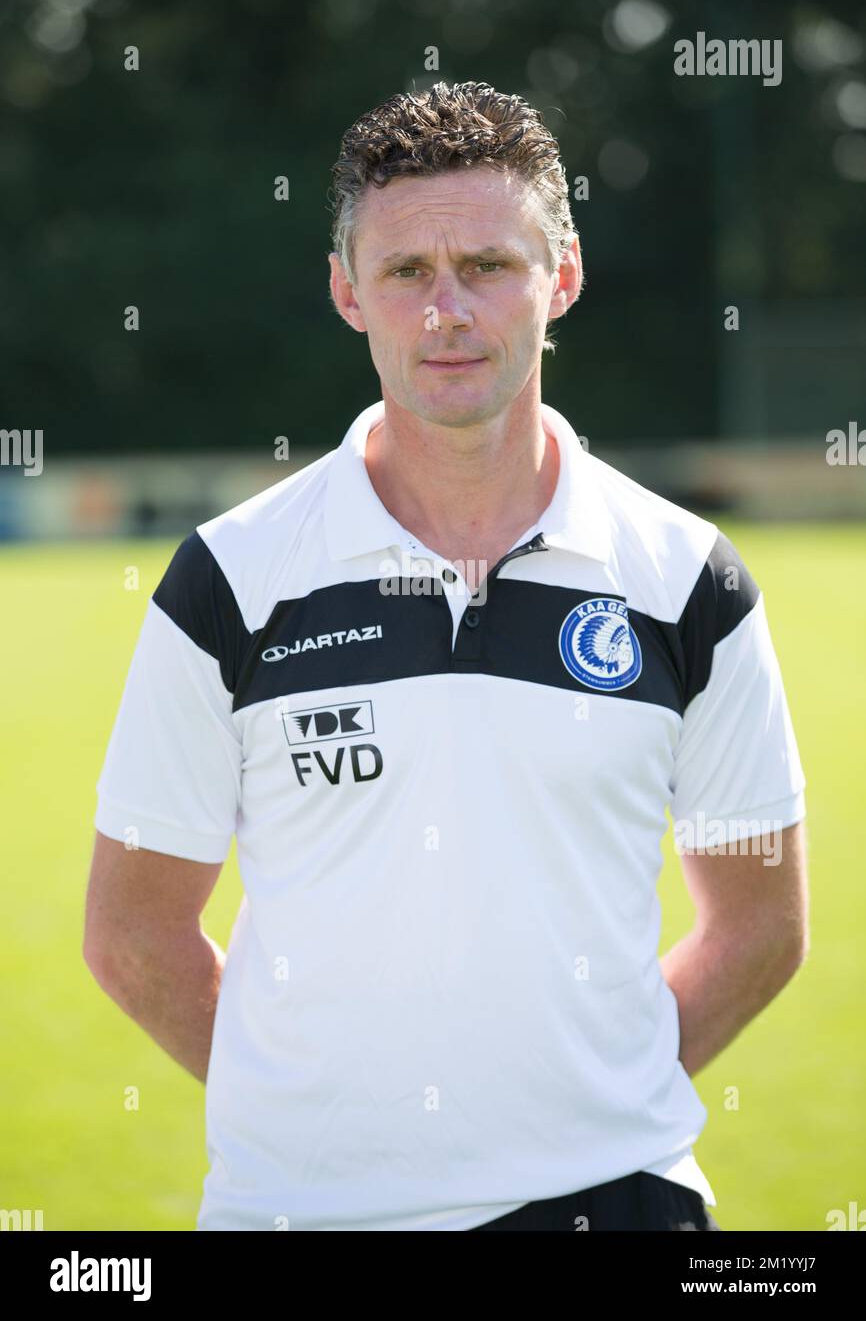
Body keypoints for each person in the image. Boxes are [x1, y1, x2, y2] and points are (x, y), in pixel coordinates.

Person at [85, 81, 809, 1231]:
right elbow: (131, 933)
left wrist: (594, 1101)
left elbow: (761, 924)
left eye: (487, 265)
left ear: (559, 274)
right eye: (406, 273)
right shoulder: (230, 579)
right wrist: (313, 1119)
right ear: (345, 292)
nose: (446, 312)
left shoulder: (686, 578)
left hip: (610, 1204)